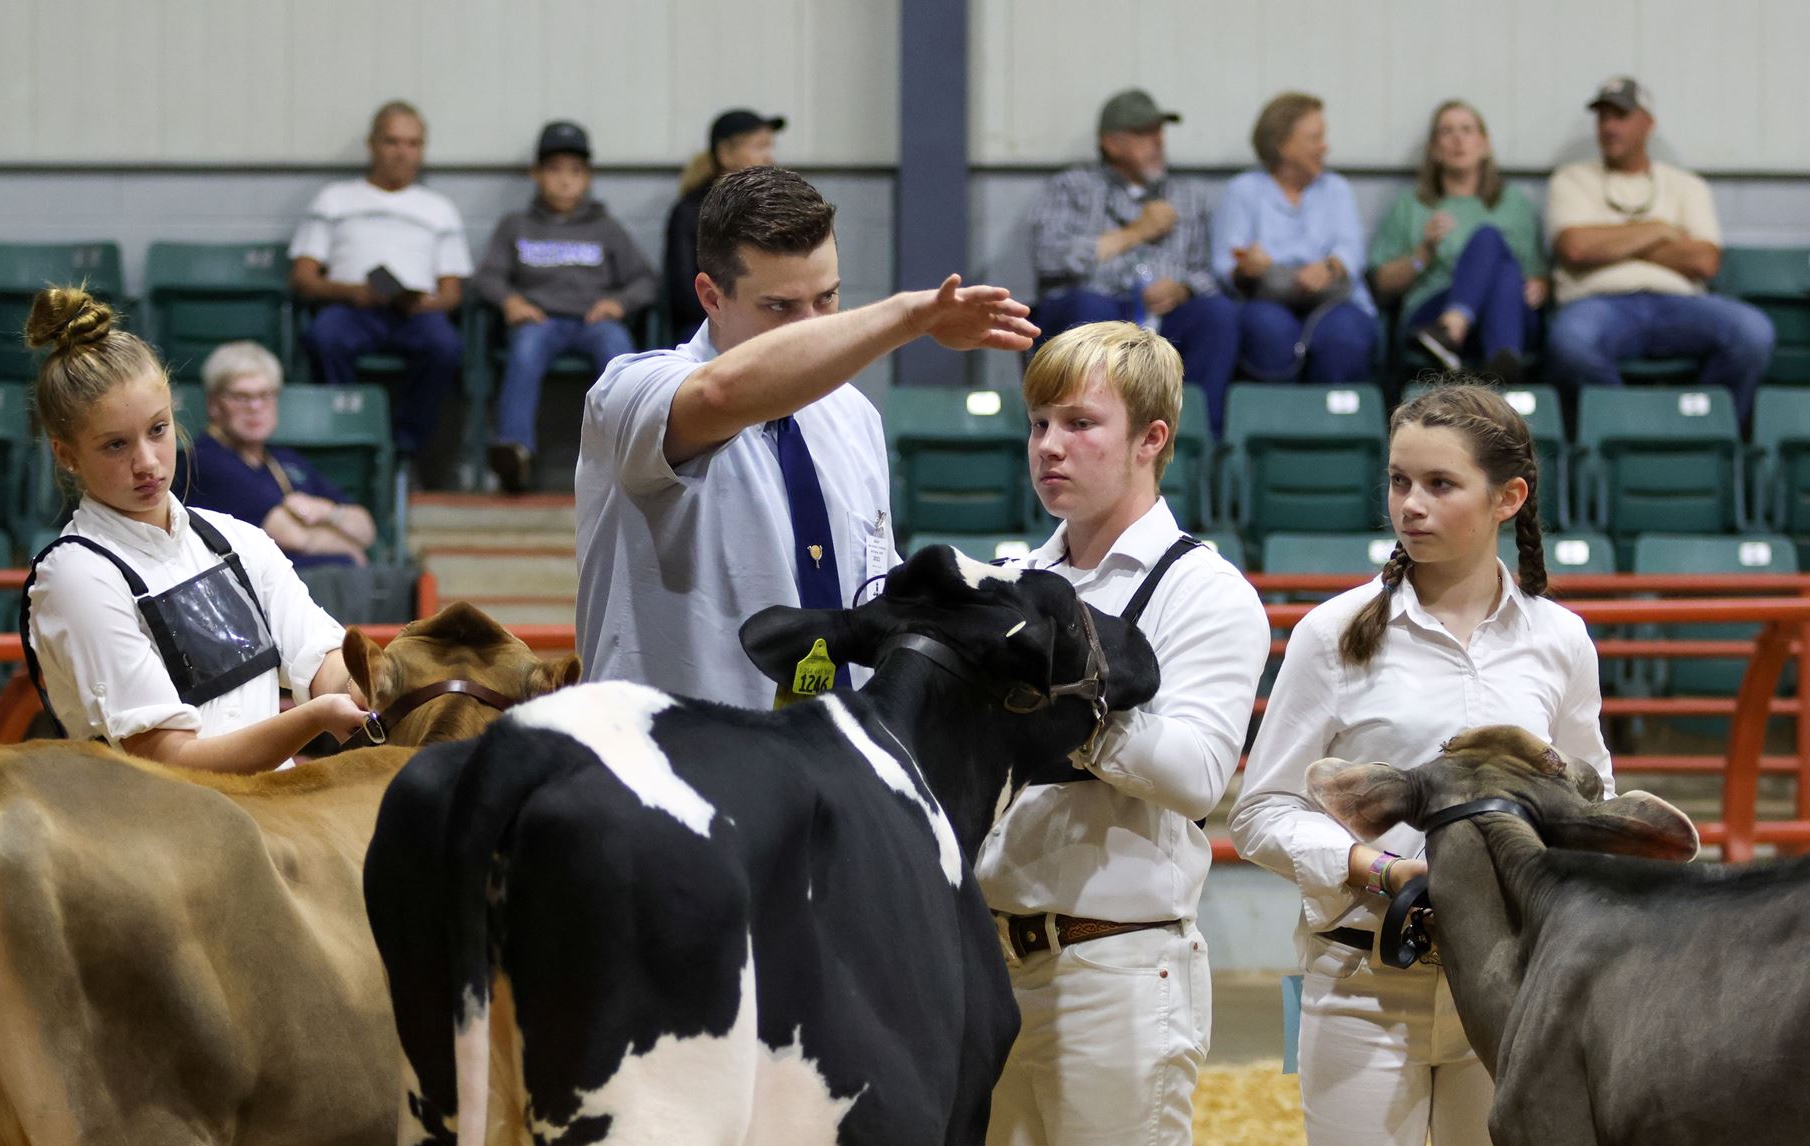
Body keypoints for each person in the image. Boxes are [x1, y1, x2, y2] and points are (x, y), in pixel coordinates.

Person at [1230, 383, 1614, 1146]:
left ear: (1508, 499)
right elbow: (1263, 807)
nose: (1410, 504)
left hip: (1511, 998)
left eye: (1441, 484)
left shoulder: (1559, 642)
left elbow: (1591, 802)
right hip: (1363, 983)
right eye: (1400, 480)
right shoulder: (1334, 633)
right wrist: (1371, 868)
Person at [18, 291, 365, 1146]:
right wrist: (318, 727)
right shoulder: (76, 577)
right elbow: (170, 755)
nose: (147, 461)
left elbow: (320, 648)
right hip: (142, 890)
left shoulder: (234, 538)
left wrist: (365, 681)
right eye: (114, 445)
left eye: (159, 431)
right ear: (65, 455)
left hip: (268, 875)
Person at [979, 321, 1267, 1146]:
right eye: (1039, 423)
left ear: (1149, 439)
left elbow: (1195, 775)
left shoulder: (1202, 591)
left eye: (1079, 423)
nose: (1050, 445)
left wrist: (1075, 700)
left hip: (1118, 968)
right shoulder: (1012, 578)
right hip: (998, 966)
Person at [576, 164, 1037, 711]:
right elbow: (722, 396)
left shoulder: (853, 415)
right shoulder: (632, 391)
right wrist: (906, 317)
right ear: (711, 296)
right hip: (672, 764)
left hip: (830, 762)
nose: (813, 325)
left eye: (826, 299)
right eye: (780, 307)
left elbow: (871, 593)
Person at [1545, 76, 1775, 429]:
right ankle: (1623, 432)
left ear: (1647, 123)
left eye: (1620, 116)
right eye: (1602, 117)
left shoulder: (1687, 185)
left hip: (1680, 303)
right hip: (1599, 303)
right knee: (1570, 343)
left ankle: (1701, 429)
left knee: (1753, 332)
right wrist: (1659, 231)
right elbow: (1575, 249)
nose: (1609, 127)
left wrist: (1611, 245)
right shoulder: (1571, 179)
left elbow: (1704, 261)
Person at [1027, 88, 1239, 437]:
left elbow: (1206, 272)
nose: (1157, 142)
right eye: (1143, 134)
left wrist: (1183, 289)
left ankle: (1196, 441)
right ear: (1111, 144)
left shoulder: (1185, 195)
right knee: (1089, 307)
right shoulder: (1072, 188)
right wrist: (1136, 231)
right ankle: (1092, 431)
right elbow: (1048, 257)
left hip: (1166, 318)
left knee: (1218, 314)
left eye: (1158, 132)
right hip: (1097, 316)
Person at [474, 120, 660, 494]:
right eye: (554, 170)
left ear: (587, 178)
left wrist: (618, 303)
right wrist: (511, 301)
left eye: (575, 172)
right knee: (525, 350)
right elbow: (487, 277)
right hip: (540, 321)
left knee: (618, 353)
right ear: (536, 175)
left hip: (595, 320)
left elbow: (646, 281)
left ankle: (632, 452)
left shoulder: (606, 228)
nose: (564, 181)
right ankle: (516, 450)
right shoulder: (516, 225)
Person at [290, 100, 473, 457]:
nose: (402, 153)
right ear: (372, 145)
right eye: (392, 142)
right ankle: (344, 436)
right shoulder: (335, 199)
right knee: (325, 337)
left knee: (445, 347)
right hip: (352, 308)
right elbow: (303, 278)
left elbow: (452, 293)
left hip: (416, 315)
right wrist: (352, 292)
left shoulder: (439, 209)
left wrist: (424, 302)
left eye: (412, 144)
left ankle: (404, 445)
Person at [1370, 100, 1548, 381]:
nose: (1458, 139)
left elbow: (1540, 276)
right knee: (1493, 248)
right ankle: (1499, 368)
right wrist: (1424, 253)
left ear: (1484, 144)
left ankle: (1454, 331)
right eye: (1446, 131)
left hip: (1505, 312)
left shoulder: (1514, 205)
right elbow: (1380, 285)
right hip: (1429, 316)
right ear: (1434, 149)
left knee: (1500, 260)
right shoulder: (1411, 206)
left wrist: (1541, 286)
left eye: (1467, 130)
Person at [1213, 92, 1378, 384]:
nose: (1325, 147)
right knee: (1268, 330)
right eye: (1316, 138)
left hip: (1334, 301)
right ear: (1283, 145)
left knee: (1344, 336)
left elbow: (1353, 249)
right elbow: (1225, 264)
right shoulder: (1243, 191)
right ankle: (1277, 425)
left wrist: (1330, 267)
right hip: (1267, 300)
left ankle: (1339, 427)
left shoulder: (1336, 189)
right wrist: (1246, 267)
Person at [175, 341, 377, 568]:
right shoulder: (205, 460)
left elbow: (365, 529)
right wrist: (351, 549)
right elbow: (295, 536)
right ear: (214, 404)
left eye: (266, 395)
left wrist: (327, 511)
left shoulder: (287, 460)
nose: (255, 407)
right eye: (241, 397)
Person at [665, 108, 785, 343]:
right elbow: (683, 293)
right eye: (759, 147)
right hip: (707, 324)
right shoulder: (690, 212)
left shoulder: (774, 207)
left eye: (770, 147)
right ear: (725, 153)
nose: (769, 157)